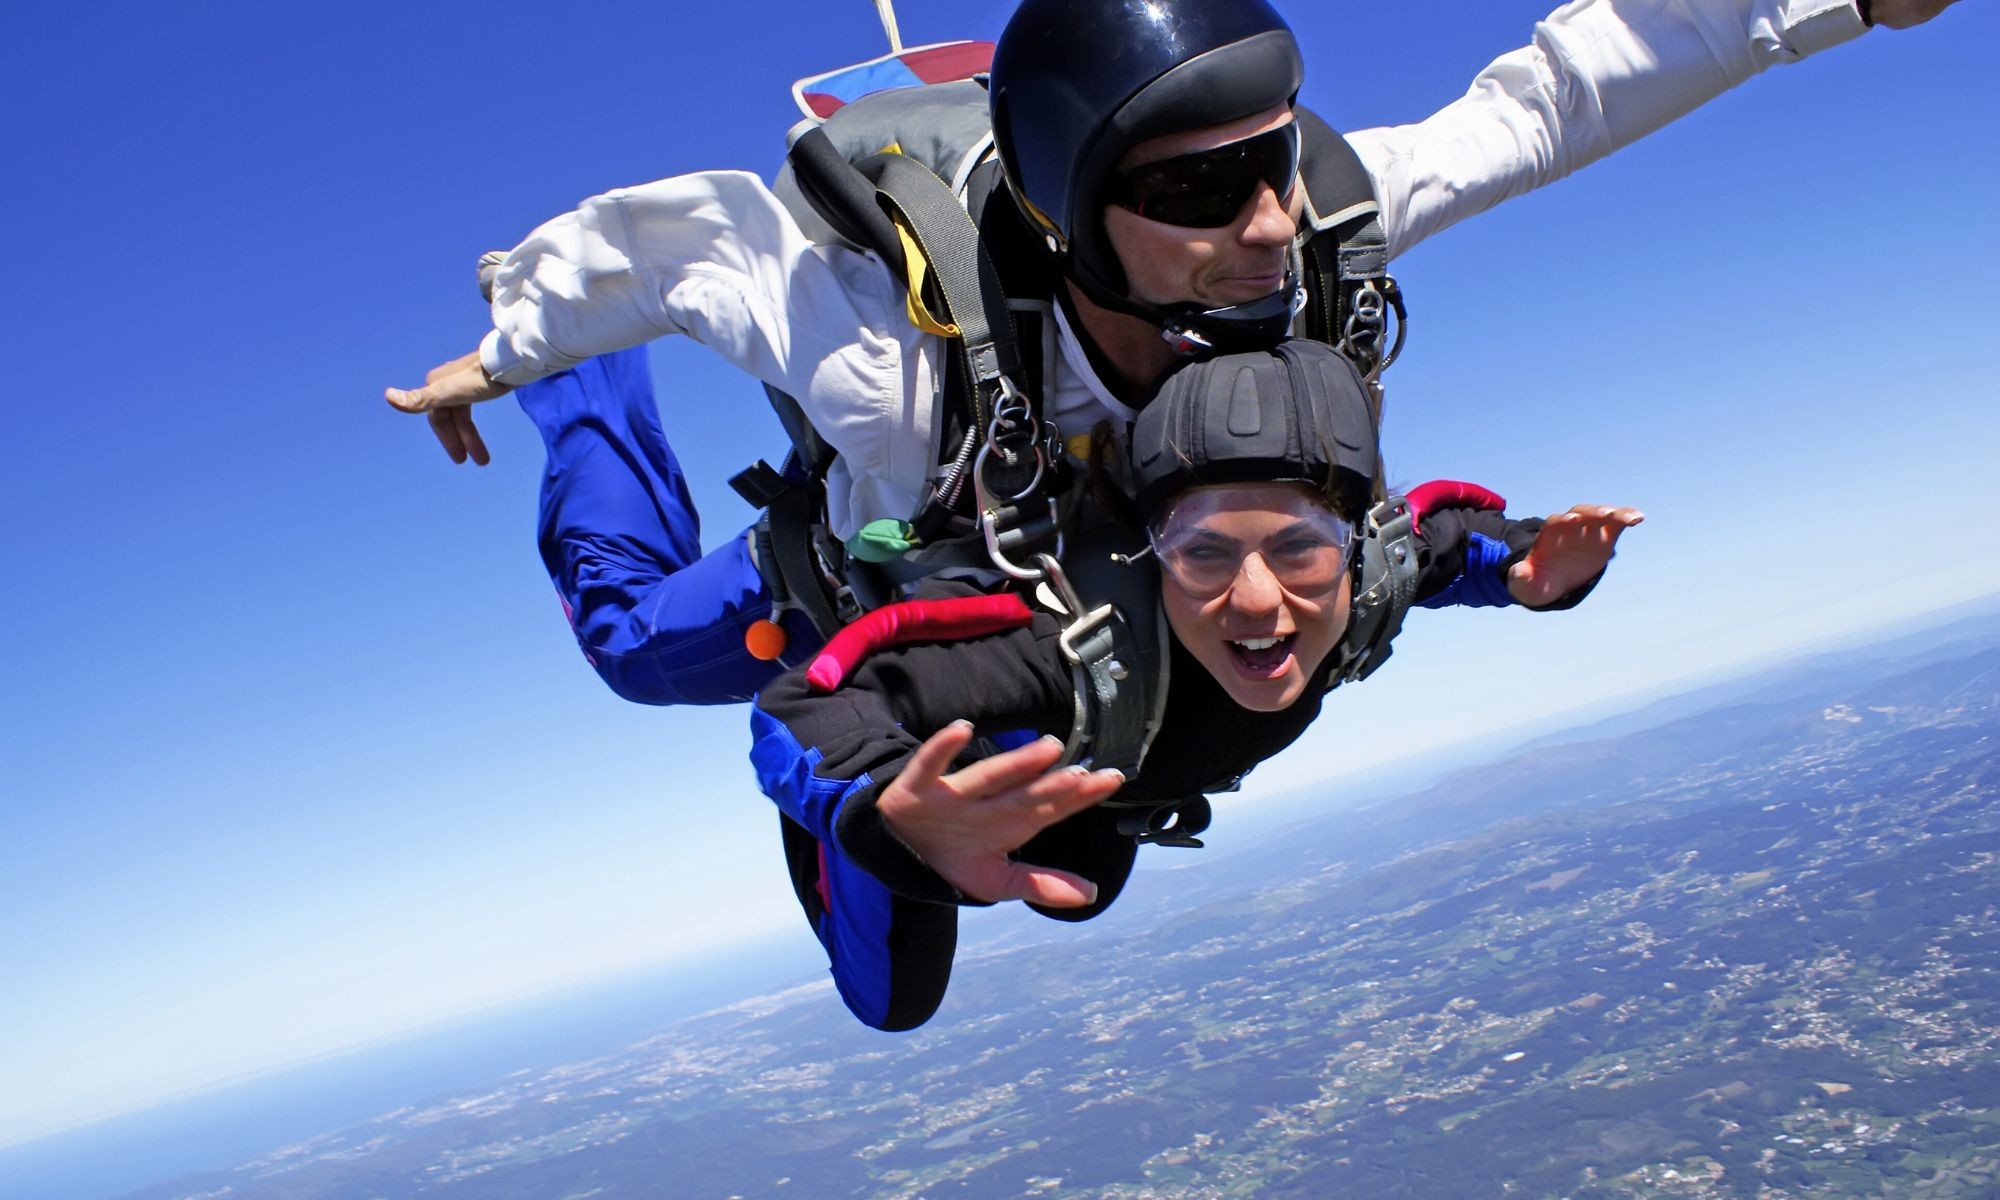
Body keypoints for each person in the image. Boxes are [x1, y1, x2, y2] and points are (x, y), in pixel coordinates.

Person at [383, 0, 1966, 710]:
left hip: (1129, 524)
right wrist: (517, 341)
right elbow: (697, 247)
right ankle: (586, 408)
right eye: (1201, 191)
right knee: (636, 644)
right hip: (931, 528)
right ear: (1077, 223)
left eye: (1274, 160)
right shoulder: (892, 364)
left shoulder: (1324, 222)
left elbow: (1550, 101)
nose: (1270, 223)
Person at [748, 339, 1644, 1030]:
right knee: (892, 1000)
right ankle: (600, 371)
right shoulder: (1065, 647)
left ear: (1353, 547)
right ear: (1150, 555)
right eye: (1203, 554)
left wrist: (1535, 573)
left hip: (1112, 782)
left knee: (1084, 885)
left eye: (1300, 548)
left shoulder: (1377, 572)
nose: (1259, 600)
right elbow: (809, 702)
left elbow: (1463, 537)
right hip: (980, 754)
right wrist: (876, 811)